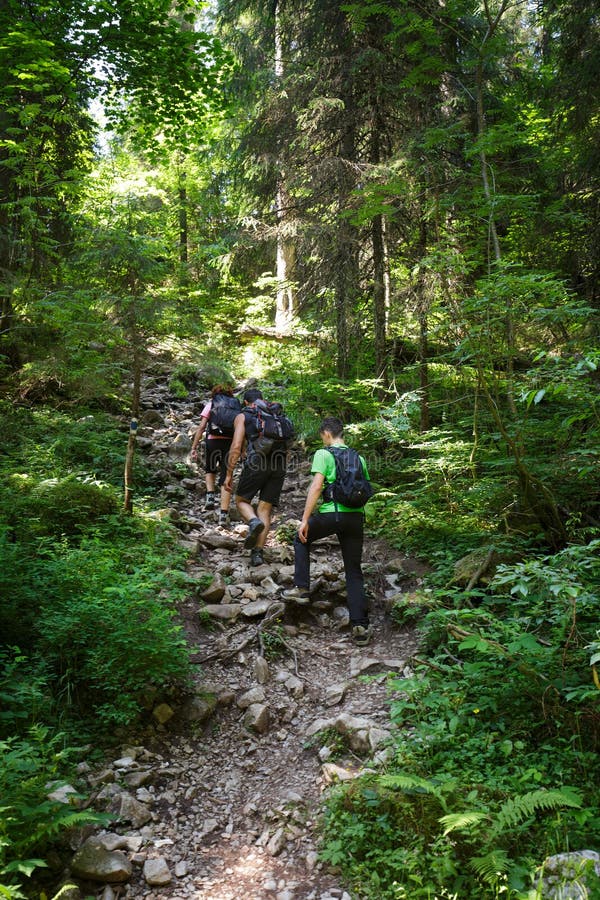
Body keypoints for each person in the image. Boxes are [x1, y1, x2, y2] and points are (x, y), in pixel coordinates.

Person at [282, 416, 373, 646]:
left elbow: (316, 486)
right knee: (353, 570)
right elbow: (365, 490)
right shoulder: (359, 458)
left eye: (322, 436)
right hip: (355, 517)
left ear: (327, 434)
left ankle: (301, 588)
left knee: (301, 538)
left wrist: (304, 520)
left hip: (331, 513)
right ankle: (360, 625)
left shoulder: (324, 454)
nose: (322, 440)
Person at [224, 388, 289, 567]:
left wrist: (229, 473)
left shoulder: (243, 416)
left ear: (245, 402)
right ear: (262, 399)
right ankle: (258, 554)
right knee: (265, 509)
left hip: (257, 461)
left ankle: (253, 522)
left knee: (241, 500)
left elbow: (236, 446)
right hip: (279, 463)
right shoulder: (275, 414)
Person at [190, 385, 237, 527]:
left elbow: (202, 426)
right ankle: (223, 514)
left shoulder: (211, 404)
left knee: (210, 469)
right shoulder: (235, 408)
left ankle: (210, 496)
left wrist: (194, 446)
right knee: (226, 477)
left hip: (212, 441)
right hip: (230, 443)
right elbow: (241, 429)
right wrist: (242, 449)